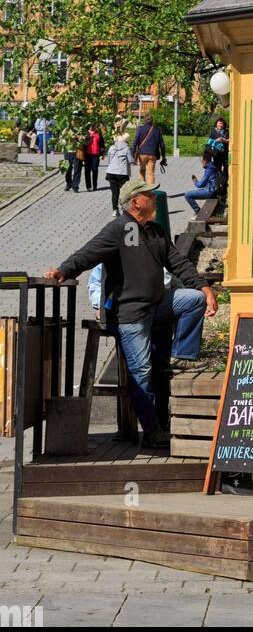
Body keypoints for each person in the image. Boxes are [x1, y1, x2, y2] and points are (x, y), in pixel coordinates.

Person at [45, 177, 218, 448]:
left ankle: (183, 354)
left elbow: (179, 263)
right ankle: (151, 430)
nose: (156, 196)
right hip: (130, 313)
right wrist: (63, 271)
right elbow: (87, 253)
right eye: (149, 194)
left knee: (193, 300)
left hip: (158, 305)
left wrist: (204, 288)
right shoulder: (119, 228)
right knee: (143, 370)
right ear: (136, 201)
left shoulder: (155, 231)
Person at [131, 116, 166, 186]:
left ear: (144, 121)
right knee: (151, 172)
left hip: (142, 154)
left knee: (142, 170)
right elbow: (162, 144)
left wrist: (132, 153)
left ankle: (142, 189)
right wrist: (163, 156)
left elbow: (135, 141)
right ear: (152, 121)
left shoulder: (140, 129)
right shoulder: (157, 130)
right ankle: (150, 190)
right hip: (153, 154)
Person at [104, 128, 133, 214]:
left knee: (114, 192)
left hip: (111, 172)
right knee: (125, 192)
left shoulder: (112, 147)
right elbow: (130, 160)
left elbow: (109, 160)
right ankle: (125, 209)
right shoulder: (127, 148)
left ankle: (115, 210)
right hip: (122, 173)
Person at [83, 122, 105, 192]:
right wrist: (88, 139)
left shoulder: (98, 134)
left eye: (93, 126)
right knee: (87, 171)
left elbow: (102, 144)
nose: (92, 127)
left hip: (96, 154)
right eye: (91, 126)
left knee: (95, 169)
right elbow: (83, 144)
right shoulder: (85, 134)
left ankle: (95, 185)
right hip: (87, 154)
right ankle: (88, 186)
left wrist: (102, 153)